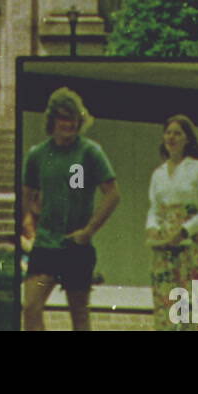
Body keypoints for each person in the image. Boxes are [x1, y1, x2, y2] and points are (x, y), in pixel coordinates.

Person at [21, 88, 121, 331]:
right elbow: (26, 196)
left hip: (76, 246)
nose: (69, 124)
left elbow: (113, 195)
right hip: (45, 245)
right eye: (64, 118)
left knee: (79, 315)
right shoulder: (37, 155)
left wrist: (88, 231)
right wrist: (29, 227)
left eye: (74, 118)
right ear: (53, 119)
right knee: (30, 306)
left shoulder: (90, 152)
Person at [145, 114, 198, 331]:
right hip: (165, 246)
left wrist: (185, 231)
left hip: (191, 244)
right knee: (166, 301)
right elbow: (154, 208)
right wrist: (152, 229)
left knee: (192, 300)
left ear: (187, 139)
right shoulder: (158, 174)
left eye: (177, 133)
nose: (171, 137)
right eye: (168, 132)